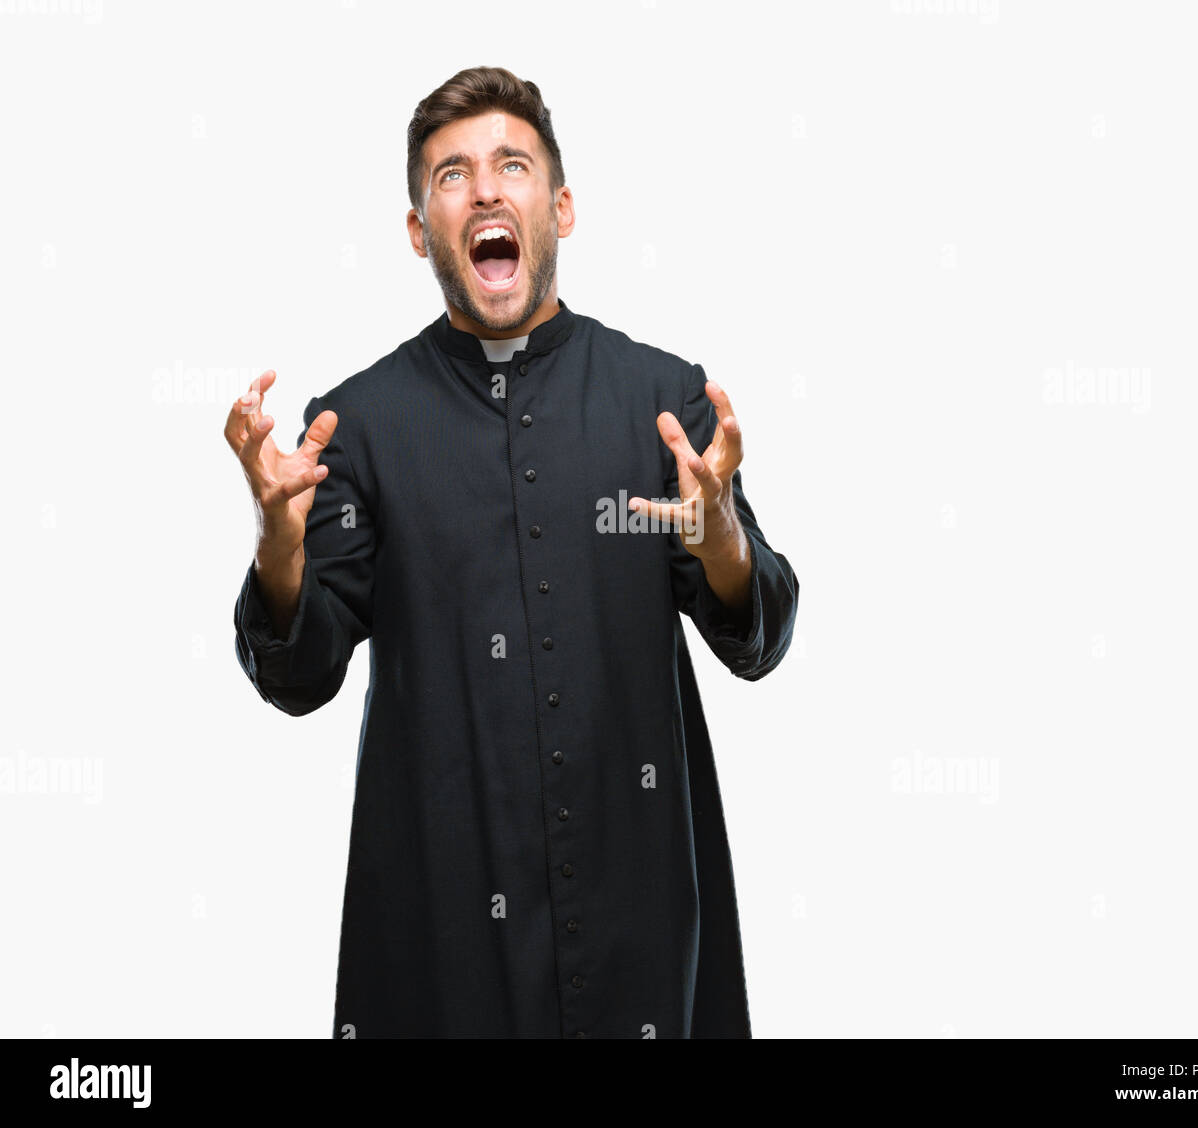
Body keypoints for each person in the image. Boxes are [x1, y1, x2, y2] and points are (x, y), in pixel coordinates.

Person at [224, 66, 798, 1038]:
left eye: (511, 165)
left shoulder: (661, 405)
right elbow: (298, 674)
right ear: (419, 229)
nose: (486, 188)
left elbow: (760, 636)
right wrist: (281, 549)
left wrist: (721, 538)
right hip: (439, 946)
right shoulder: (356, 426)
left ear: (560, 207)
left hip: (640, 934)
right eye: (451, 174)